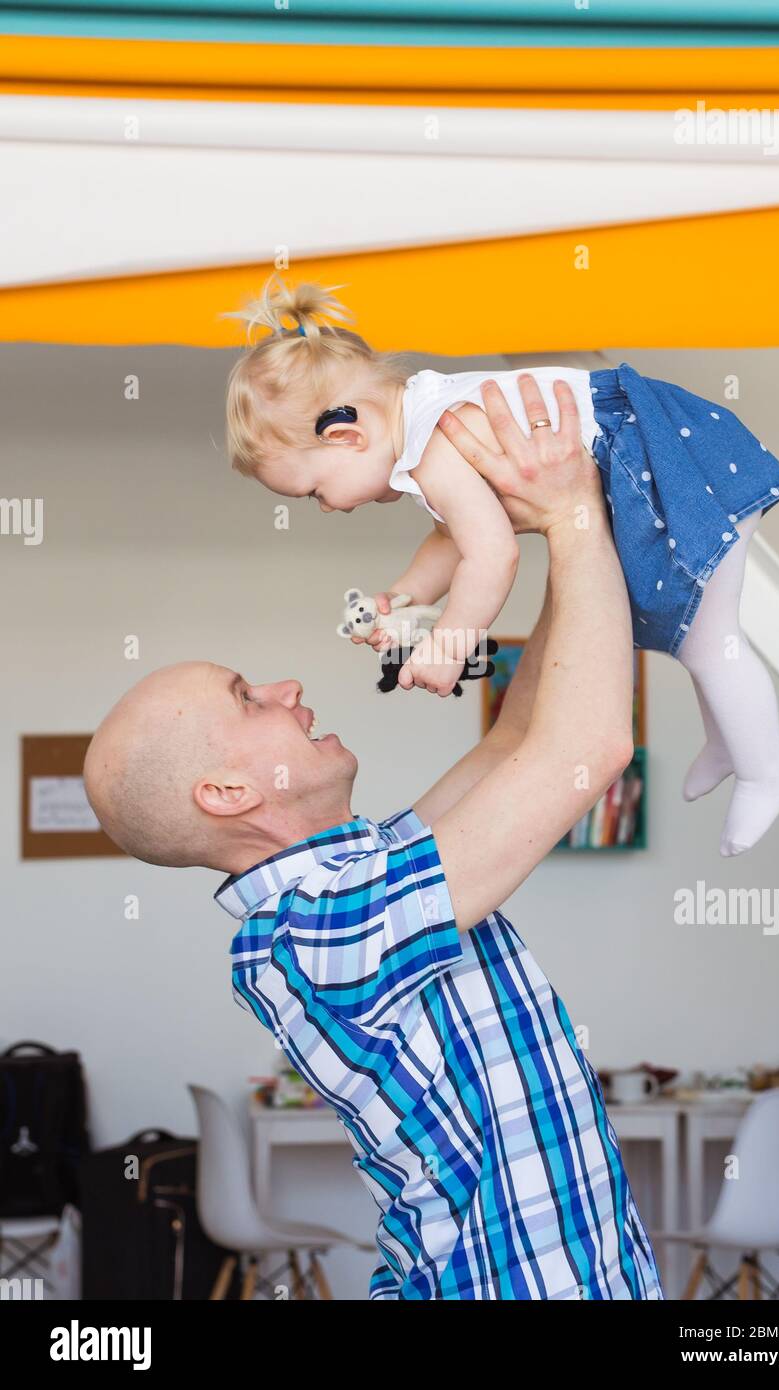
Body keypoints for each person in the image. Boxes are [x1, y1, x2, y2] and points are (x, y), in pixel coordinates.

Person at [85, 375, 664, 1300]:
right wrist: (574, 520)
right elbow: (587, 751)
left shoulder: (371, 869)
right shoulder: (320, 936)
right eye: (247, 698)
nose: (283, 688)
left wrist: (557, 523)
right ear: (229, 791)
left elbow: (521, 734)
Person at [222, 276, 779, 857]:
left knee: (709, 640)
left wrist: (449, 646)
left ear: (346, 436)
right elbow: (451, 538)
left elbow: (492, 553)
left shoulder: (436, 443)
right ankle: (733, 742)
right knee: (693, 639)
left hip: (666, 456)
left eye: (315, 492)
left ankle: (767, 768)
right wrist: (402, 598)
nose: (327, 507)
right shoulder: (423, 420)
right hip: (660, 447)